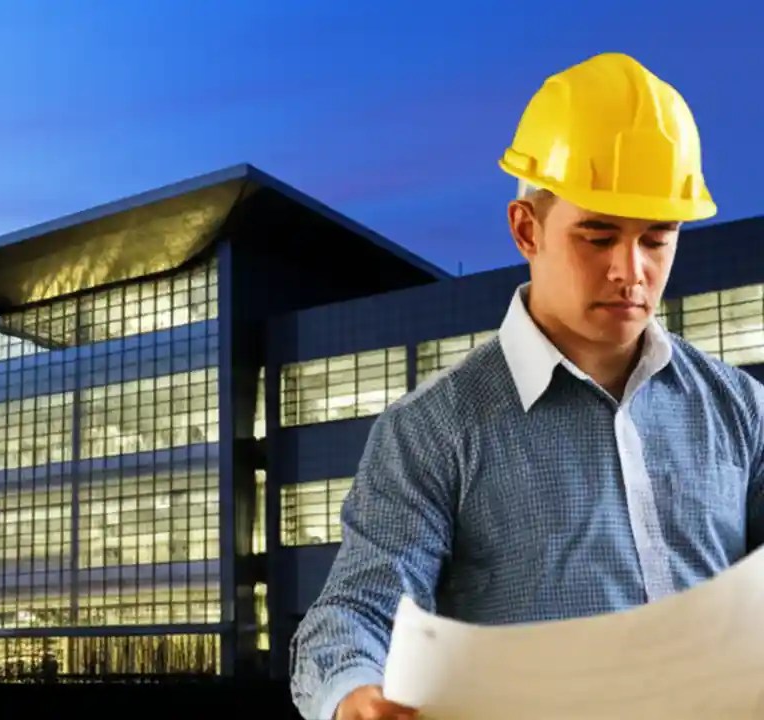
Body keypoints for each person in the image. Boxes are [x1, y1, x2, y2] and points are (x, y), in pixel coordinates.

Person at [289, 51, 764, 720]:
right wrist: (355, 697)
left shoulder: (741, 411)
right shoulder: (432, 431)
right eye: (598, 237)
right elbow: (356, 612)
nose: (631, 272)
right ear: (525, 229)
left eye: (657, 239)